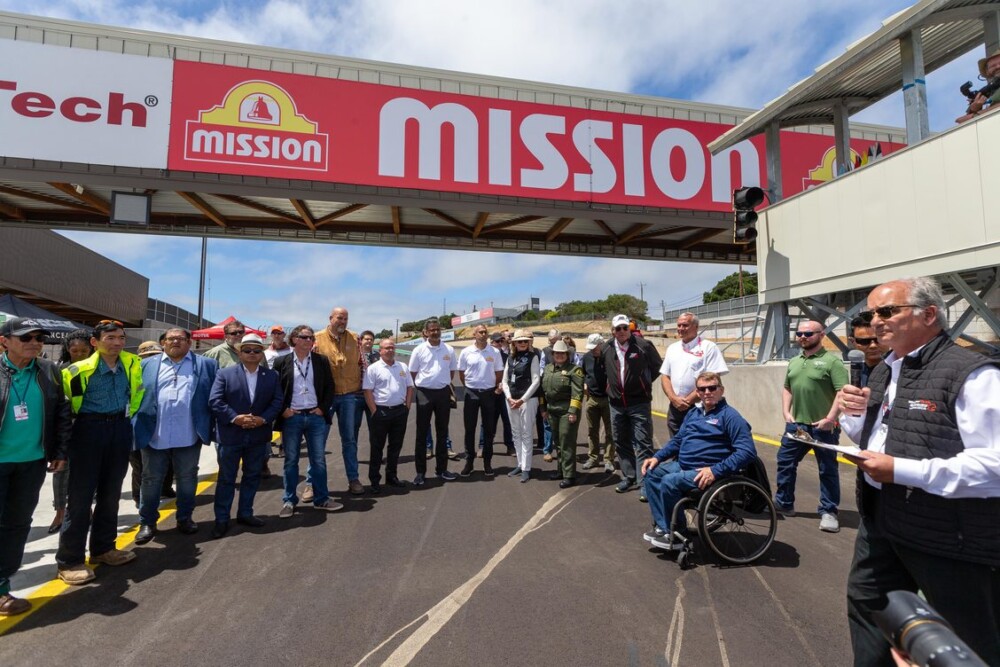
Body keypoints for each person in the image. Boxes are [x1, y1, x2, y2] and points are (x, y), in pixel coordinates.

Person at [838, 277, 1000, 666]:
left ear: (929, 314)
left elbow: (994, 466)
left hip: (948, 537)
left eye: (887, 311)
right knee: (866, 606)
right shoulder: (882, 371)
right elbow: (875, 438)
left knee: (963, 640)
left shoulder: (972, 374)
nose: (875, 322)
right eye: (870, 313)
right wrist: (853, 415)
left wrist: (903, 470)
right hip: (881, 522)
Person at [56, 320, 144, 585]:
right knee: (81, 499)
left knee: (111, 494)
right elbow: (64, 409)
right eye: (110, 338)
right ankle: (69, 560)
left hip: (120, 428)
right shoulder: (76, 370)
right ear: (95, 342)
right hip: (87, 430)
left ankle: (104, 549)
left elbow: (137, 394)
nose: (117, 342)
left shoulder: (131, 363)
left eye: (121, 337)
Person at [0, 318, 71, 616]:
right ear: (4, 341)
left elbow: (62, 412)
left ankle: (2, 586)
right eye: (26, 337)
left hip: (30, 463)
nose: (35, 342)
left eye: (39, 338)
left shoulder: (49, 371)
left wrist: (58, 451)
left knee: (17, 525)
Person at [639, 372, 756, 550]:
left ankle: (678, 535)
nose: (707, 392)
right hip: (684, 465)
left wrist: (715, 470)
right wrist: (657, 457)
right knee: (652, 473)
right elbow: (677, 441)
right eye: (702, 389)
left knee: (670, 482)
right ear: (698, 393)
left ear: (721, 390)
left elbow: (747, 452)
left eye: (712, 388)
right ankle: (664, 528)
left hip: (707, 471)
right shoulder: (694, 413)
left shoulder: (730, 416)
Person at [132, 328, 217, 544]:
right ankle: (147, 522)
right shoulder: (145, 365)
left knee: (187, 479)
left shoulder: (206, 365)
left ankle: (185, 518)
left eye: (181, 339)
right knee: (151, 479)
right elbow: (133, 396)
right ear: (163, 343)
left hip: (189, 434)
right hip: (154, 434)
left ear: (189, 342)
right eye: (171, 339)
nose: (175, 342)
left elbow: (214, 396)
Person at [208, 333, 283, 539]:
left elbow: (277, 402)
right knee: (226, 479)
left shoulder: (272, 376)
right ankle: (221, 519)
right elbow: (215, 401)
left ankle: (246, 513)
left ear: (261, 354)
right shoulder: (225, 374)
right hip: (231, 434)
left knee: (252, 477)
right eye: (247, 350)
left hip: (258, 435)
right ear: (239, 353)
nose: (252, 353)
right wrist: (235, 418)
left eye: (256, 350)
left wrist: (263, 420)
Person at [775, 320, 847, 533]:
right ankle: (784, 503)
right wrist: (786, 412)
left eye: (808, 333)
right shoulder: (795, 361)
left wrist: (830, 419)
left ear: (821, 334)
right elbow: (787, 388)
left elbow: (842, 393)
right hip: (797, 426)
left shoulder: (832, 362)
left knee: (827, 469)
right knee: (785, 463)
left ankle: (829, 511)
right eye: (799, 333)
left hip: (823, 428)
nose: (803, 337)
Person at [273, 325, 340, 518]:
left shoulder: (321, 361)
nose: (309, 340)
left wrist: (322, 408)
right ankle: (289, 501)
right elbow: (275, 389)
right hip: (292, 417)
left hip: (315, 417)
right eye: (304, 337)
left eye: (311, 338)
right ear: (294, 339)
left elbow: (329, 387)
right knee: (291, 461)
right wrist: (283, 410)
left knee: (318, 460)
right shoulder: (281, 362)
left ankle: (322, 499)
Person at [596, 314, 663, 500]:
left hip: (638, 402)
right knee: (620, 441)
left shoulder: (643, 346)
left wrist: (643, 383)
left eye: (625, 328)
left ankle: (645, 483)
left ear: (630, 328)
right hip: (616, 404)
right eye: (618, 329)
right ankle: (629, 476)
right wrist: (612, 388)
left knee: (643, 443)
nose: (622, 332)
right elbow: (603, 369)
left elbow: (658, 367)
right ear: (612, 331)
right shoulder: (606, 348)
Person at [312, 307, 366, 496]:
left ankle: (353, 479)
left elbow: (362, 363)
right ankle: (312, 484)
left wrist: (362, 389)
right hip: (325, 398)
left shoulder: (354, 337)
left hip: (349, 395)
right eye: (339, 318)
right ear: (331, 318)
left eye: (346, 318)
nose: (343, 321)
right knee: (318, 441)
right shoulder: (317, 338)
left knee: (349, 440)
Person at [48, 329, 92, 535]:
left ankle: (86, 509)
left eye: (85, 350)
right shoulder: (60, 370)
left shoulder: (97, 370)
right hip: (66, 429)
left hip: (90, 428)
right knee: (61, 473)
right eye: (75, 350)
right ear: (68, 350)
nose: (80, 354)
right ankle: (60, 511)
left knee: (86, 472)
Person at [659, 313, 729, 437]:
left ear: (696, 327)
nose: (681, 328)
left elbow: (713, 380)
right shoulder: (672, 348)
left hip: (700, 408)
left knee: (698, 444)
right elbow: (665, 376)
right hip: (675, 407)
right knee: (675, 446)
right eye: (679, 325)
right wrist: (673, 399)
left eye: (685, 325)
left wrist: (687, 401)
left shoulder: (709, 347)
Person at [409, 318, 459, 485]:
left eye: (438, 329)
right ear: (426, 332)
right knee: (421, 434)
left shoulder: (449, 349)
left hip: (443, 394)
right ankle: (420, 473)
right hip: (424, 393)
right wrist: (427, 384)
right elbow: (413, 373)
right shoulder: (419, 350)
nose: (435, 332)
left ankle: (442, 469)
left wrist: (441, 383)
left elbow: (452, 372)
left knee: (442, 432)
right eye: (432, 330)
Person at [129, 340, 175, 509]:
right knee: (139, 464)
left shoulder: (167, 372)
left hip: (162, 426)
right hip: (137, 424)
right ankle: (137, 496)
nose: (151, 360)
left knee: (167, 460)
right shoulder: (132, 373)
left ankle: (165, 487)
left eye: (155, 356)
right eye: (146, 357)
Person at [363, 338, 413, 492]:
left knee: (395, 446)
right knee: (377, 447)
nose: (390, 350)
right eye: (386, 348)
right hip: (381, 412)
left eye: (392, 347)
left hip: (399, 411)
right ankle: (375, 480)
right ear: (380, 350)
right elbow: (367, 391)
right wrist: (374, 411)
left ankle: (392, 477)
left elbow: (410, 386)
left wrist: (407, 406)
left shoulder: (403, 366)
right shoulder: (373, 368)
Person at [458, 324, 504, 477]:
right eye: (480, 332)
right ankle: (469, 462)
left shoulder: (495, 352)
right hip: (471, 394)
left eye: (485, 332)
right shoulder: (466, 352)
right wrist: (471, 386)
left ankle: (487, 462)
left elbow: (499, 372)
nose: (483, 334)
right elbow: (462, 373)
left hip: (488, 394)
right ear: (474, 334)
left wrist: (491, 387)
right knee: (469, 429)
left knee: (489, 429)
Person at [538, 340, 584, 487]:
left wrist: (573, 411)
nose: (559, 355)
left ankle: (570, 475)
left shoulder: (574, 370)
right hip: (552, 411)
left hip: (566, 413)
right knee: (557, 442)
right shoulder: (548, 369)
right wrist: (543, 409)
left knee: (567, 443)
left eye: (562, 353)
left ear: (567, 354)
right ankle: (561, 471)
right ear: (552, 355)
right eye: (557, 353)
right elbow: (542, 391)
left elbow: (577, 394)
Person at [502, 329, 542, 483]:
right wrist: (509, 397)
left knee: (526, 434)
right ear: (514, 343)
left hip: (528, 400)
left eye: (526, 341)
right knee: (516, 432)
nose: (523, 343)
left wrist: (522, 400)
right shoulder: (510, 358)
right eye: (520, 341)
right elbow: (505, 380)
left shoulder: (533, 357)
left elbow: (536, 380)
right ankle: (519, 463)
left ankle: (526, 468)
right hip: (511, 399)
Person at [581, 333, 614, 473]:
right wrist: (584, 385)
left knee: (610, 432)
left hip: (608, 399)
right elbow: (582, 374)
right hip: (591, 399)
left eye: (596, 348)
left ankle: (608, 459)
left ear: (602, 344)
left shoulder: (609, 356)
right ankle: (593, 457)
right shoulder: (586, 357)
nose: (593, 350)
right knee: (592, 431)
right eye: (591, 348)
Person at [479, 332, 514, 456]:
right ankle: (483, 446)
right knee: (487, 421)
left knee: (507, 420)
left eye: (501, 341)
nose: (499, 344)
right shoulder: (485, 355)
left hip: (504, 393)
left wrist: (503, 385)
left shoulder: (507, 357)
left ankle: (510, 446)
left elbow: (511, 375)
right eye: (497, 341)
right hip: (490, 392)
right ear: (491, 342)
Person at [956, 47, 1000, 123]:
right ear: (988, 72)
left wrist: (976, 116)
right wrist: (974, 108)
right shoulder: (991, 90)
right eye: (992, 66)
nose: (998, 67)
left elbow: (963, 120)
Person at [849, 317, 889, 388]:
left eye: (878, 339)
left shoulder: (900, 369)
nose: (873, 346)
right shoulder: (857, 371)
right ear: (853, 342)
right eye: (864, 341)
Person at [539, 329, 559, 461]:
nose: (552, 345)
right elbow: (541, 369)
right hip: (548, 391)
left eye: (555, 342)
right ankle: (547, 450)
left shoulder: (571, 351)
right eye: (550, 342)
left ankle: (562, 450)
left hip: (564, 392)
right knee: (547, 422)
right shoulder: (545, 351)